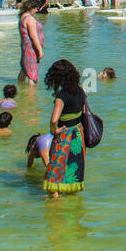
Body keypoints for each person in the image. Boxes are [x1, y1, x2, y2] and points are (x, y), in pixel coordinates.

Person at [43, 59, 88, 196]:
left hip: (64, 136)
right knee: (73, 171)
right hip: (78, 136)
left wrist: (53, 130)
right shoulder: (81, 91)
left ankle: (55, 205)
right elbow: (84, 112)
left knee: (55, 173)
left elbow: (54, 119)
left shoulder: (61, 96)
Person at [17, 0, 46, 85]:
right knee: (32, 73)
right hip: (31, 49)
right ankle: (31, 95)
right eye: (36, 9)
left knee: (25, 68)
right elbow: (33, 36)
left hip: (25, 47)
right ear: (32, 8)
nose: (36, 11)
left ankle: (21, 89)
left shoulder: (22, 17)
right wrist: (40, 50)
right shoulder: (30, 19)